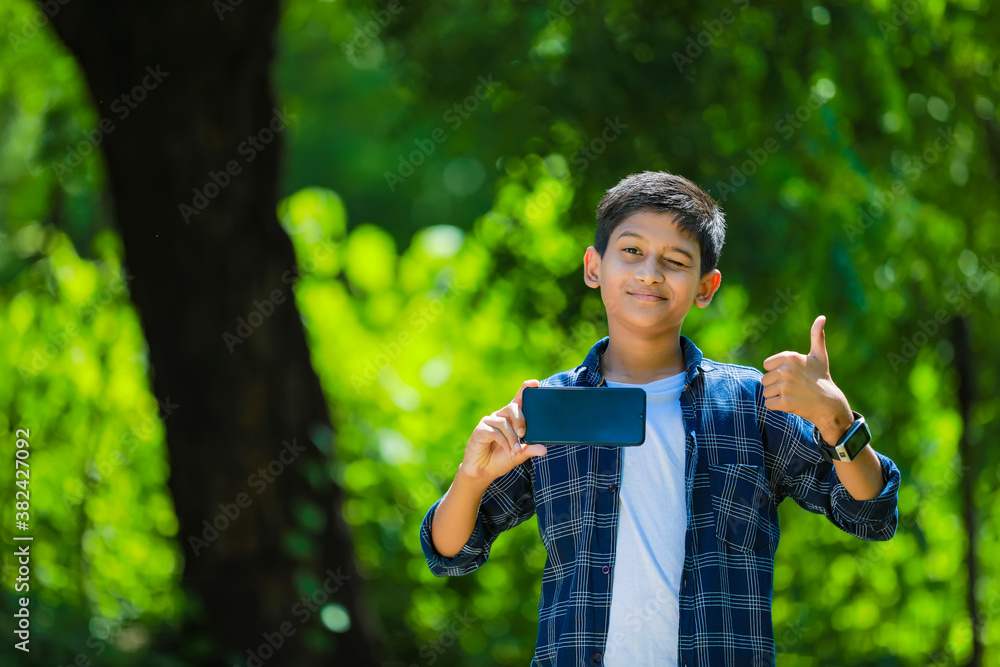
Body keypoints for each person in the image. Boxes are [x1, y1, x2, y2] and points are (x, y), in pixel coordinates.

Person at [418, 171, 900, 666]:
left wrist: (838, 422)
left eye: (675, 261)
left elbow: (870, 513)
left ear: (705, 287)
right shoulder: (554, 406)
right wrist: (471, 478)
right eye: (631, 251)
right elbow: (450, 552)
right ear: (593, 266)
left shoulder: (751, 403)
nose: (650, 272)